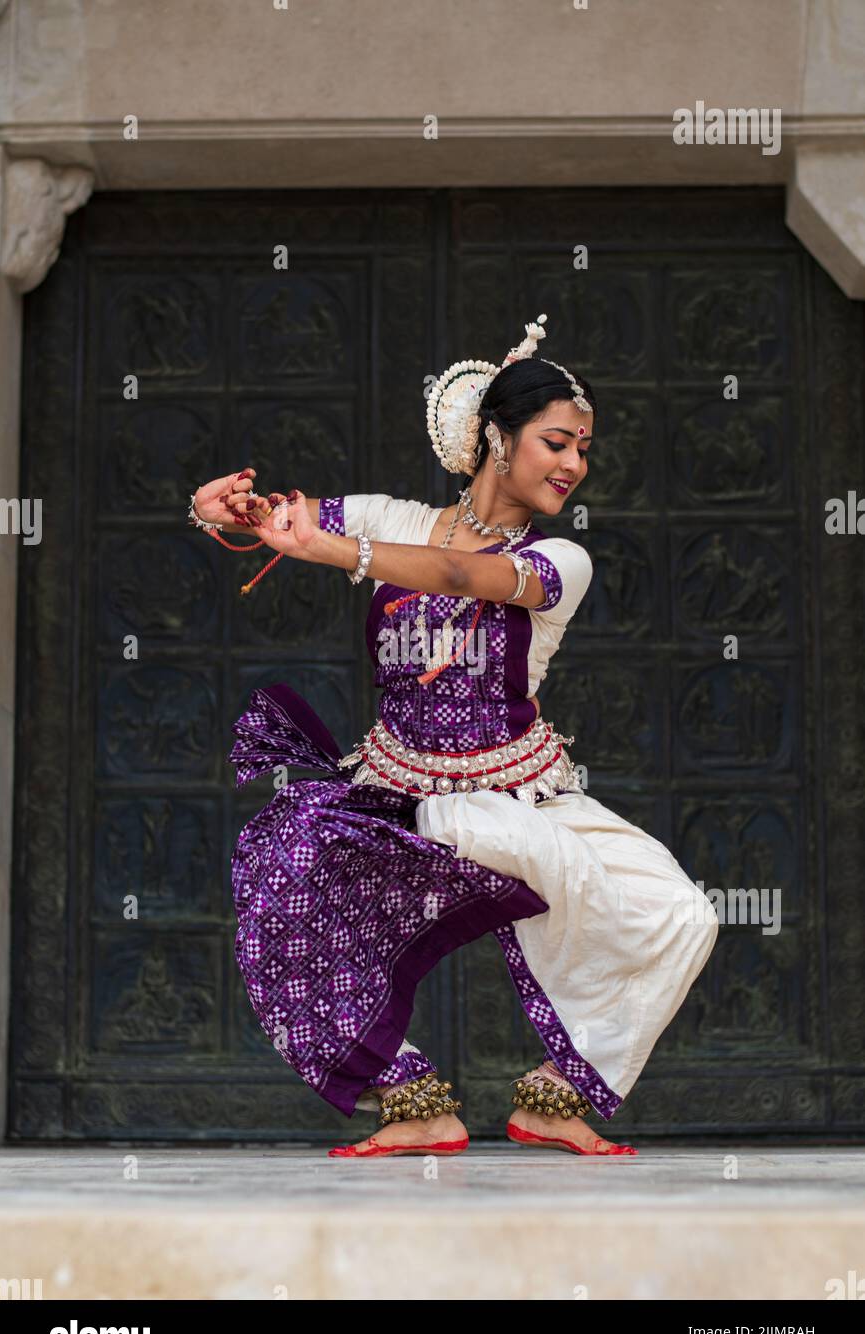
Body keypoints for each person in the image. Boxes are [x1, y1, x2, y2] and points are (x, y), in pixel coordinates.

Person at [189, 314, 720, 1159]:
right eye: (558, 443)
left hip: (520, 793)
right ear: (497, 440)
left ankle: (558, 1095)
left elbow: (459, 573)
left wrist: (334, 550)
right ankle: (411, 1100)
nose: (575, 465)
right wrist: (223, 511)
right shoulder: (390, 516)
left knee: (683, 914)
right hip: (400, 788)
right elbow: (283, 518)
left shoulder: (560, 561)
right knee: (286, 882)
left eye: (584, 449)